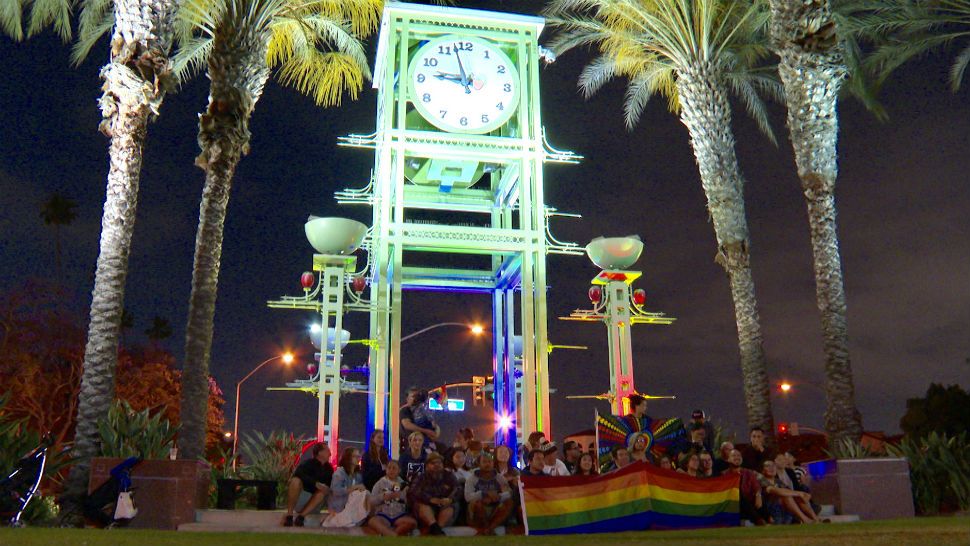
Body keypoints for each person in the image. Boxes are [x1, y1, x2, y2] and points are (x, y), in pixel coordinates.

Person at [408, 452, 459, 535]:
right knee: (422, 505)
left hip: (444, 505)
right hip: (427, 507)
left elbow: (458, 488)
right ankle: (435, 528)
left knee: (452, 506)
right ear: (427, 465)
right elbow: (413, 491)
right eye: (433, 463)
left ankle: (437, 529)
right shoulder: (421, 477)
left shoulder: (449, 475)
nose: (436, 465)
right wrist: (430, 499)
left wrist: (450, 499)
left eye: (439, 462)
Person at [284, 442, 333, 527]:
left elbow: (331, 486)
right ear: (320, 452)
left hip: (316, 503)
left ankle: (301, 517)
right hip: (303, 497)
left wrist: (325, 488)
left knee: (322, 492)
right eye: (327, 450)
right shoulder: (308, 464)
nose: (330, 453)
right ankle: (289, 515)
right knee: (295, 481)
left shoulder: (329, 469)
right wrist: (315, 484)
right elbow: (298, 473)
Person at [465, 453, 513, 535]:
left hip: (495, 507)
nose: (488, 464)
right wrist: (485, 494)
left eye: (490, 461)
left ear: (493, 463)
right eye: (484, 462)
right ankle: (487, 528)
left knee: (509, 502)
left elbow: (509, 493)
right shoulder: (471, 478)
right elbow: (467, 497)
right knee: (477, 503)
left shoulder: (499, 477)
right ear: (479, 464)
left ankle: (490, 528)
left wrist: (497, 497)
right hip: (478, 510)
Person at [760, 459, 820, 524]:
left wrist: (801, 495)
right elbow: (775, 490)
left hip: (784, 510)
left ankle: (816, 519)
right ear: (762, 470)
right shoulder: (761, 480)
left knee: (797, 497)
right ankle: (805, 520)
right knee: (786, 497)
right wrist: (800, 493)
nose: (771, 468)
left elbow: (788, 491)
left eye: (773, 466)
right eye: (768, 466)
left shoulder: (778, 481)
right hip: (770, 511)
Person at [367, 460, 417, 536]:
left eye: (394, 468)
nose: (391, 470)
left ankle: (390, 534)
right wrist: (382, 497)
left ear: (399, 470)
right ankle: (393, 535)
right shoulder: (380, 483)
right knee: (372, 521)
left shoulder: (403, 484)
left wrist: (402, 496)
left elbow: (409, 502)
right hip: (384, 514)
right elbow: (371, 501)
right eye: (389, 468)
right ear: (386, 470)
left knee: (412, 523)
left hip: (399, 515)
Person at [725, 449, 768, 525]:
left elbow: (756, 486)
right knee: (739, 496)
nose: (737, 457)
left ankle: (769, 519)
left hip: (750, 502)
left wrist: (758, 495)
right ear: (728, 459)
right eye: (734, 455)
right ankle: (760, 520)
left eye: (739, 455)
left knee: (760, 497)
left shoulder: (748, 472)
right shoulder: (724, 474)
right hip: (734, 504)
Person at [329, 447, 367, 514]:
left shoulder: (358, 475)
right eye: (355, 456)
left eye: (359, 456)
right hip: (339, 506)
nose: (358, 458)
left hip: (352, 505)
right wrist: (354, 487)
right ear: (348, 458)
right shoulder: (340, 473)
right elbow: (336, 491)